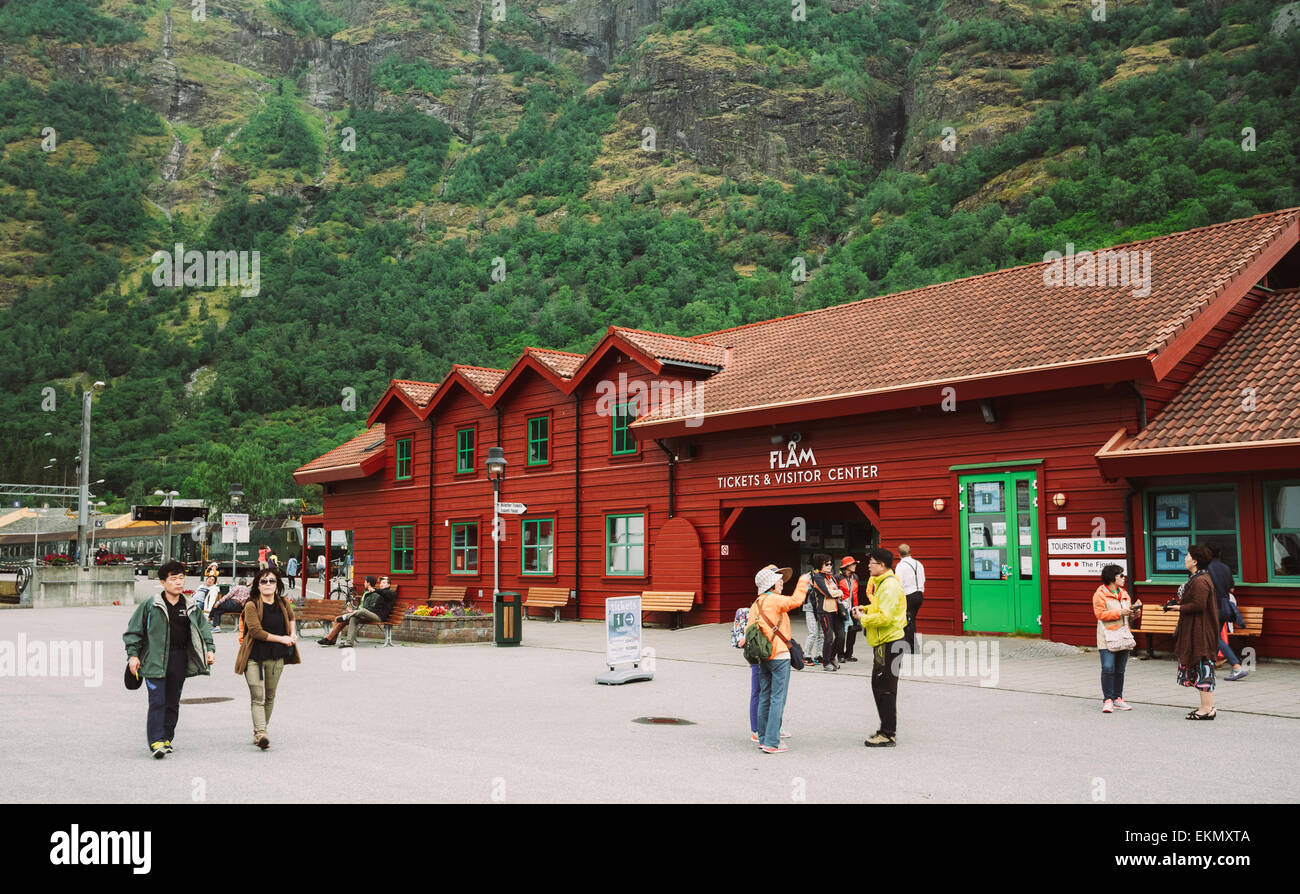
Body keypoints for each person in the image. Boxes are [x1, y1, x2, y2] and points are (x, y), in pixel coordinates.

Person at [122, 560, 216, 758]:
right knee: (157, 700)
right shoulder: (151, 604)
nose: (179, 583)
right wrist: (133, 655)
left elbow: (203, 629)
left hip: (179, 659)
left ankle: (166, 738)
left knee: (173, 702)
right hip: (154, 659)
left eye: (181, 578)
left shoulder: (189, 605)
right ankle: (155, 740)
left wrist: (210, 649)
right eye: (174, 579)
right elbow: (134, 631)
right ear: (163, 582)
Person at [234, 567, 300, 750]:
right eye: (264, 581)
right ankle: (262, 732)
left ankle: (259, 731)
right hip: (254, 656)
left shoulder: (283, 603)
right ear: (258, 585)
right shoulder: (251, 605)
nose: (268, 584)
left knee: (270, 696)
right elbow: (255, 631)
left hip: (276, 656)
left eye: (271, 580)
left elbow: (292, 618)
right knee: (258, 696)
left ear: (277, 583)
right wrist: (282, 638)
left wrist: (293, 634)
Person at [854, 547, 907, 747]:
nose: (868, 566)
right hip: (885, 641)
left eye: (872, 563)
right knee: (880, 685)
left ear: (882, 566)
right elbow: (881, 608)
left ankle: (887, 734)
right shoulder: (882, 583)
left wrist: (863, 618)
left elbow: (886, 617)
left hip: (890, 642)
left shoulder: (889, 586)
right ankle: (886, 729)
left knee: (884, 687)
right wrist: (865, 608)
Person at [748, 564, 803, 753]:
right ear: (771, 584)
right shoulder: (775, 600)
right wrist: (804, 581)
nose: (782, 582)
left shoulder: (756, 603)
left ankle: (763, 737)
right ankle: (772, 742)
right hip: (780, 655)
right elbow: (796, 600)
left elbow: (749, 630)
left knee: (765, 696)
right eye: (779, 580)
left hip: (764, 656)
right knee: (777, 698)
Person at [1171, 545, 1220, 720]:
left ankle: (1206, 708)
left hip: (1200, 630)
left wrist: (1178, 607)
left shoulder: (1200, 580)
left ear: (1195, 561)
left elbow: (1199, 604)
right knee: (1203, 666)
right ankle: (1208, 706)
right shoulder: (1198, 578)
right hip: (1198, 628)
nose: (1185, 558)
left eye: (1188, 555)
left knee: (1203, 666)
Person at [1092, 564, 1138, 712]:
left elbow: (1128, 615)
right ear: (1113, 578)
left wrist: (1134, 614)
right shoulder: (1100, 594)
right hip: (1106, 637)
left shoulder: (1124, 593)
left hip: (1123, 635)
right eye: (1121, 576)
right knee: (1108, 668)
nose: (1124, 579)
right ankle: (1108, 699)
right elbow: (1100, 614)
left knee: (1120, 670)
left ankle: (1118, 698)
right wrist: (1120, 612)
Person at [1205, 543, 1248, 681]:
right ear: (1220, 553)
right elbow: (1232, 589)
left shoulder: (1206, 569)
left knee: (1214, 637)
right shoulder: (1225, 568)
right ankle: (1208, 666)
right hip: (1224, 606)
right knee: (1213, 636)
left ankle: (1236, 666)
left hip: (1212, 606)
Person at [318, 575, 397, 647]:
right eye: (381, 583)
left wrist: (375, 590)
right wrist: (353, 611)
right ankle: (348, 643)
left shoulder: (391, 593)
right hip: (372, 614)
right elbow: (373, 607)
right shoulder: (379, 593)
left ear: (389, 585)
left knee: (362, 611)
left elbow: (384, 593)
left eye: (384, 583)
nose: (381, 584)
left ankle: (345, 617)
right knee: (353, 618)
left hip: (379, 617)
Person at [896, 543, 926, 652]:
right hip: (919, 594)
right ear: (910, 552)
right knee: (911, 619)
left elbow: (899, 583)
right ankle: (910, 645)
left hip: (908, 595)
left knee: (907, 621)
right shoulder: (919, 564)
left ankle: (912, 647)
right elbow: (923, 579)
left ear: (899, 554)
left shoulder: (901, 565)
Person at [837, 556, 861, 663]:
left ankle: (848, 654)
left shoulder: (855, 577)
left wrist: (856, 608)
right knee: (841, 634)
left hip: (853, 608)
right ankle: (840, 655)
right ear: (846, 566)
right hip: (842, 609)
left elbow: (855, 594)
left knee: (853, 632)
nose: (855, 566)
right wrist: (839, 608)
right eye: (853, 564)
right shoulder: (837, 577)